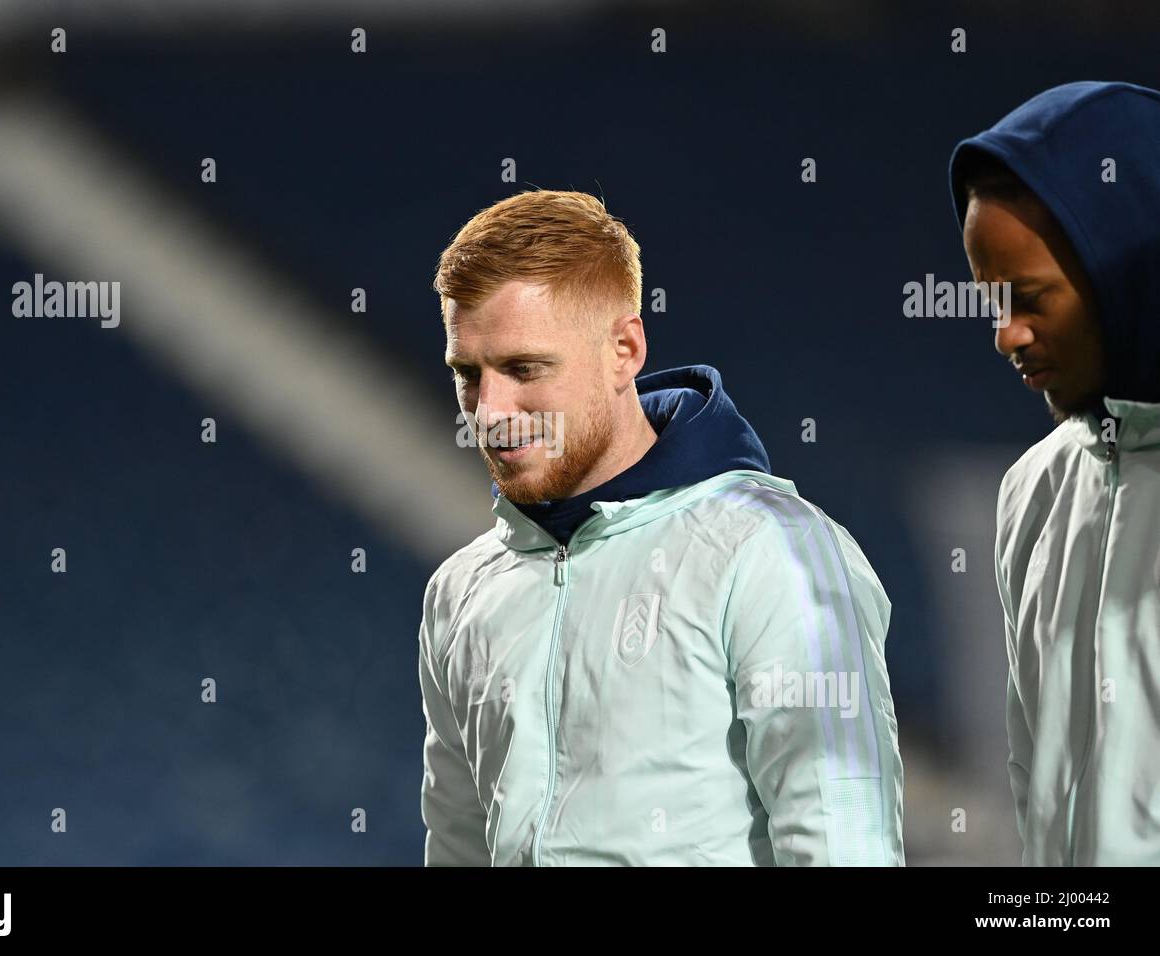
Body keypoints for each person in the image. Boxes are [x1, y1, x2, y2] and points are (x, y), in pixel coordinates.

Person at [418, 189, 903, 865]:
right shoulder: (460, 591)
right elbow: (459, 848)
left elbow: (844, 844)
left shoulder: (771, 550)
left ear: (624, 349)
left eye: (524, 368)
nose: (490, 410)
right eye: (468, 374)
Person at [949, 81, 1160, 865]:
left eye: (1032, 299)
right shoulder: (1031, 490)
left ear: (1127, 275)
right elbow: (1032, 778)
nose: (1006, 336)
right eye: (993, 302)